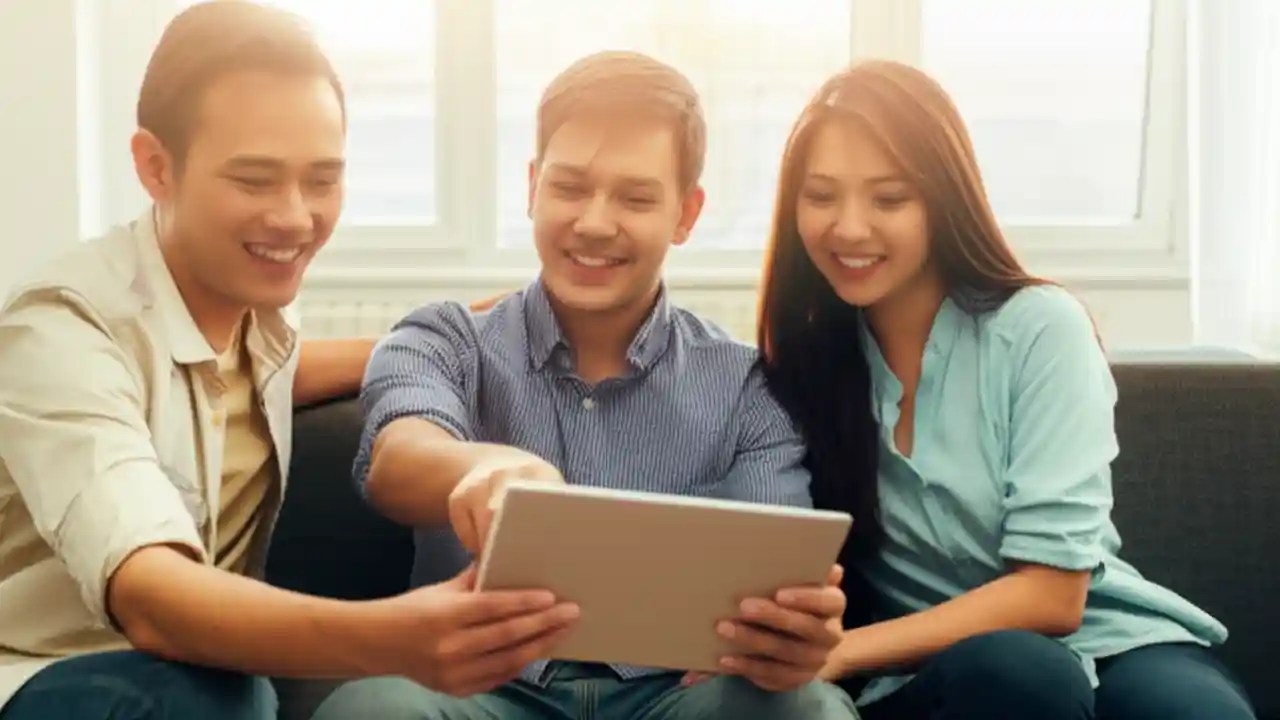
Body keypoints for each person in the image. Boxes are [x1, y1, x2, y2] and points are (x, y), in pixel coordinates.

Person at [0, 3, 584, 718]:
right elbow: (150, 597)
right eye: (255, 180)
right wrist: (395, 639)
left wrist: (456, 331)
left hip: (193, 669)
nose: (295, 217)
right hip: (48, 674)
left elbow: (257, 378)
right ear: (155, 167)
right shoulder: (59, 327)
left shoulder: (254, 319)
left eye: (322, 180)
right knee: (227, 697)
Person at [312, 51, 859, 720]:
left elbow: (775, 566)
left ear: (686, 214)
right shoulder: (443, 339)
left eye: (635, 198)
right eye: (570, 187)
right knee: (372, 709)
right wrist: (489, 470)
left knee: (808, 708)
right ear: (533, 187)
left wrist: (791, 632)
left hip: (678, 696)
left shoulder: (750, 385)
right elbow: (397, 461)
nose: (595, 222)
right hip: (477, 688)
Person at [745, 59, 1258, 720]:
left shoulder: (1041, 329)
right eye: (820, 196)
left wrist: (844, 651)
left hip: (1110, 638)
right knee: (1019, 674)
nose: (849, 227)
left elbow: (1053, 595)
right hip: (932, 673)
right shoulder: (800, 367)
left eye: (889, 198)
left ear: (944, 200)